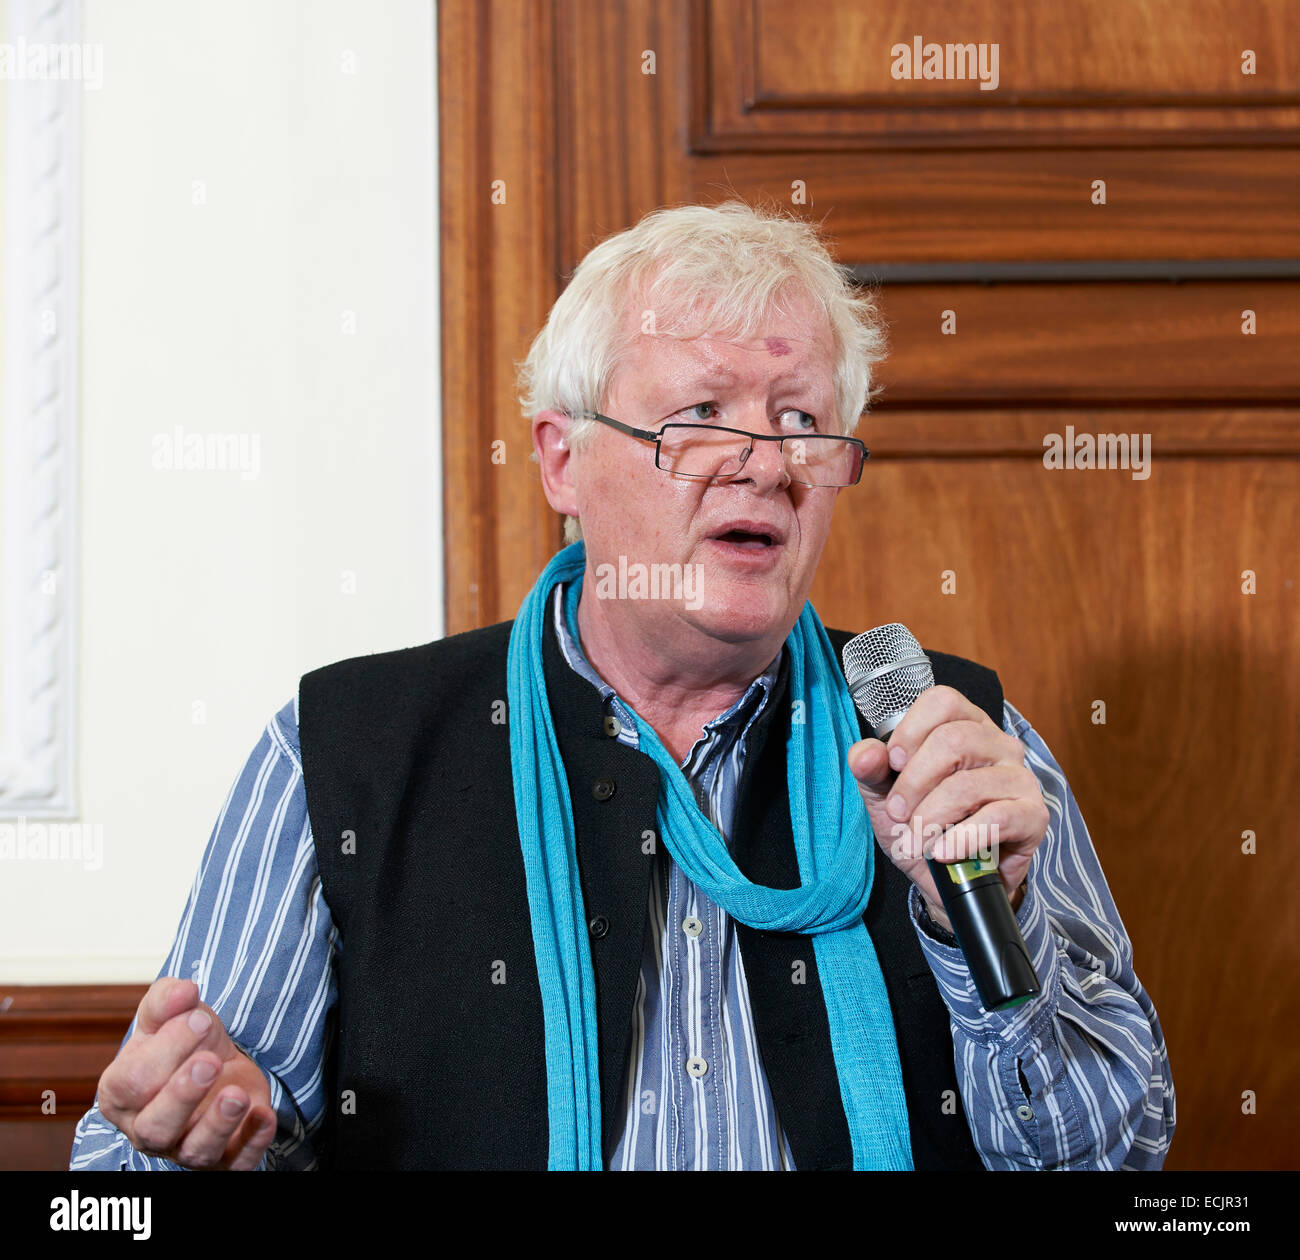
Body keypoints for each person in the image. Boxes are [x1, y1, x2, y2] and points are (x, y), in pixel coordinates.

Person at [71, 201, 1174, 1171]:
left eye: (802, 421)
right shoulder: (340, 756)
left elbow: (1118, 1159)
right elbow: (129, 1170)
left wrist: (989, 926)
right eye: (701, 417)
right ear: (561, 460)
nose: (768, 465)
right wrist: (189, 1151)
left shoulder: (956, 745)